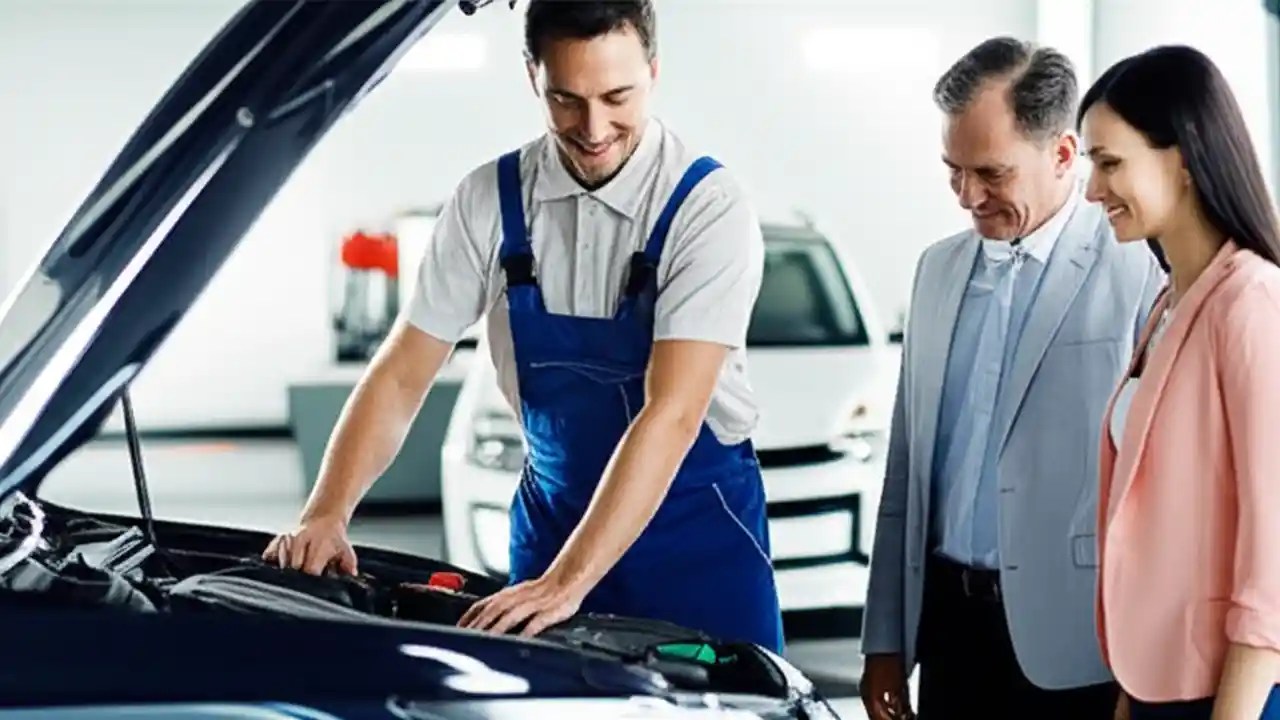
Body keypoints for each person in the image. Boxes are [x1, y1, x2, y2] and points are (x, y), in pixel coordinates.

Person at [262, 0, 785, 652]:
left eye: (617, 96)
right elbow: (402, 373)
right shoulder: (489, 200)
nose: (593, 127)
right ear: (531, 78)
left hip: (697, 537)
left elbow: (673, 413)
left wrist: (567, 584)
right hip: (552, 521)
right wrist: (327, 511)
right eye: (565, 99)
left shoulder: (705, 207)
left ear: (653, 70)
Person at [858, 36, 1165, 719]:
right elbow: (906, 470)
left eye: (991, 173)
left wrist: (1149, 669)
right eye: (953, 169)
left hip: (1082, 645)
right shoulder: (936, 270)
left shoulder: (1141, 268)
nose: (968, 196)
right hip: (947, 633)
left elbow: (1161, 494)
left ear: (1062, 154)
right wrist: (884, 640)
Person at [1080, 45, 1280, 720]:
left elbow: (1273, 545)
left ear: (1184, 159)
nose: (1092, 189)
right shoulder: (1173, 303)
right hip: (1163, 685)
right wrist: (1133, 693)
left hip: (1234, 695)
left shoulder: (1252, 303)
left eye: (1109, 163)